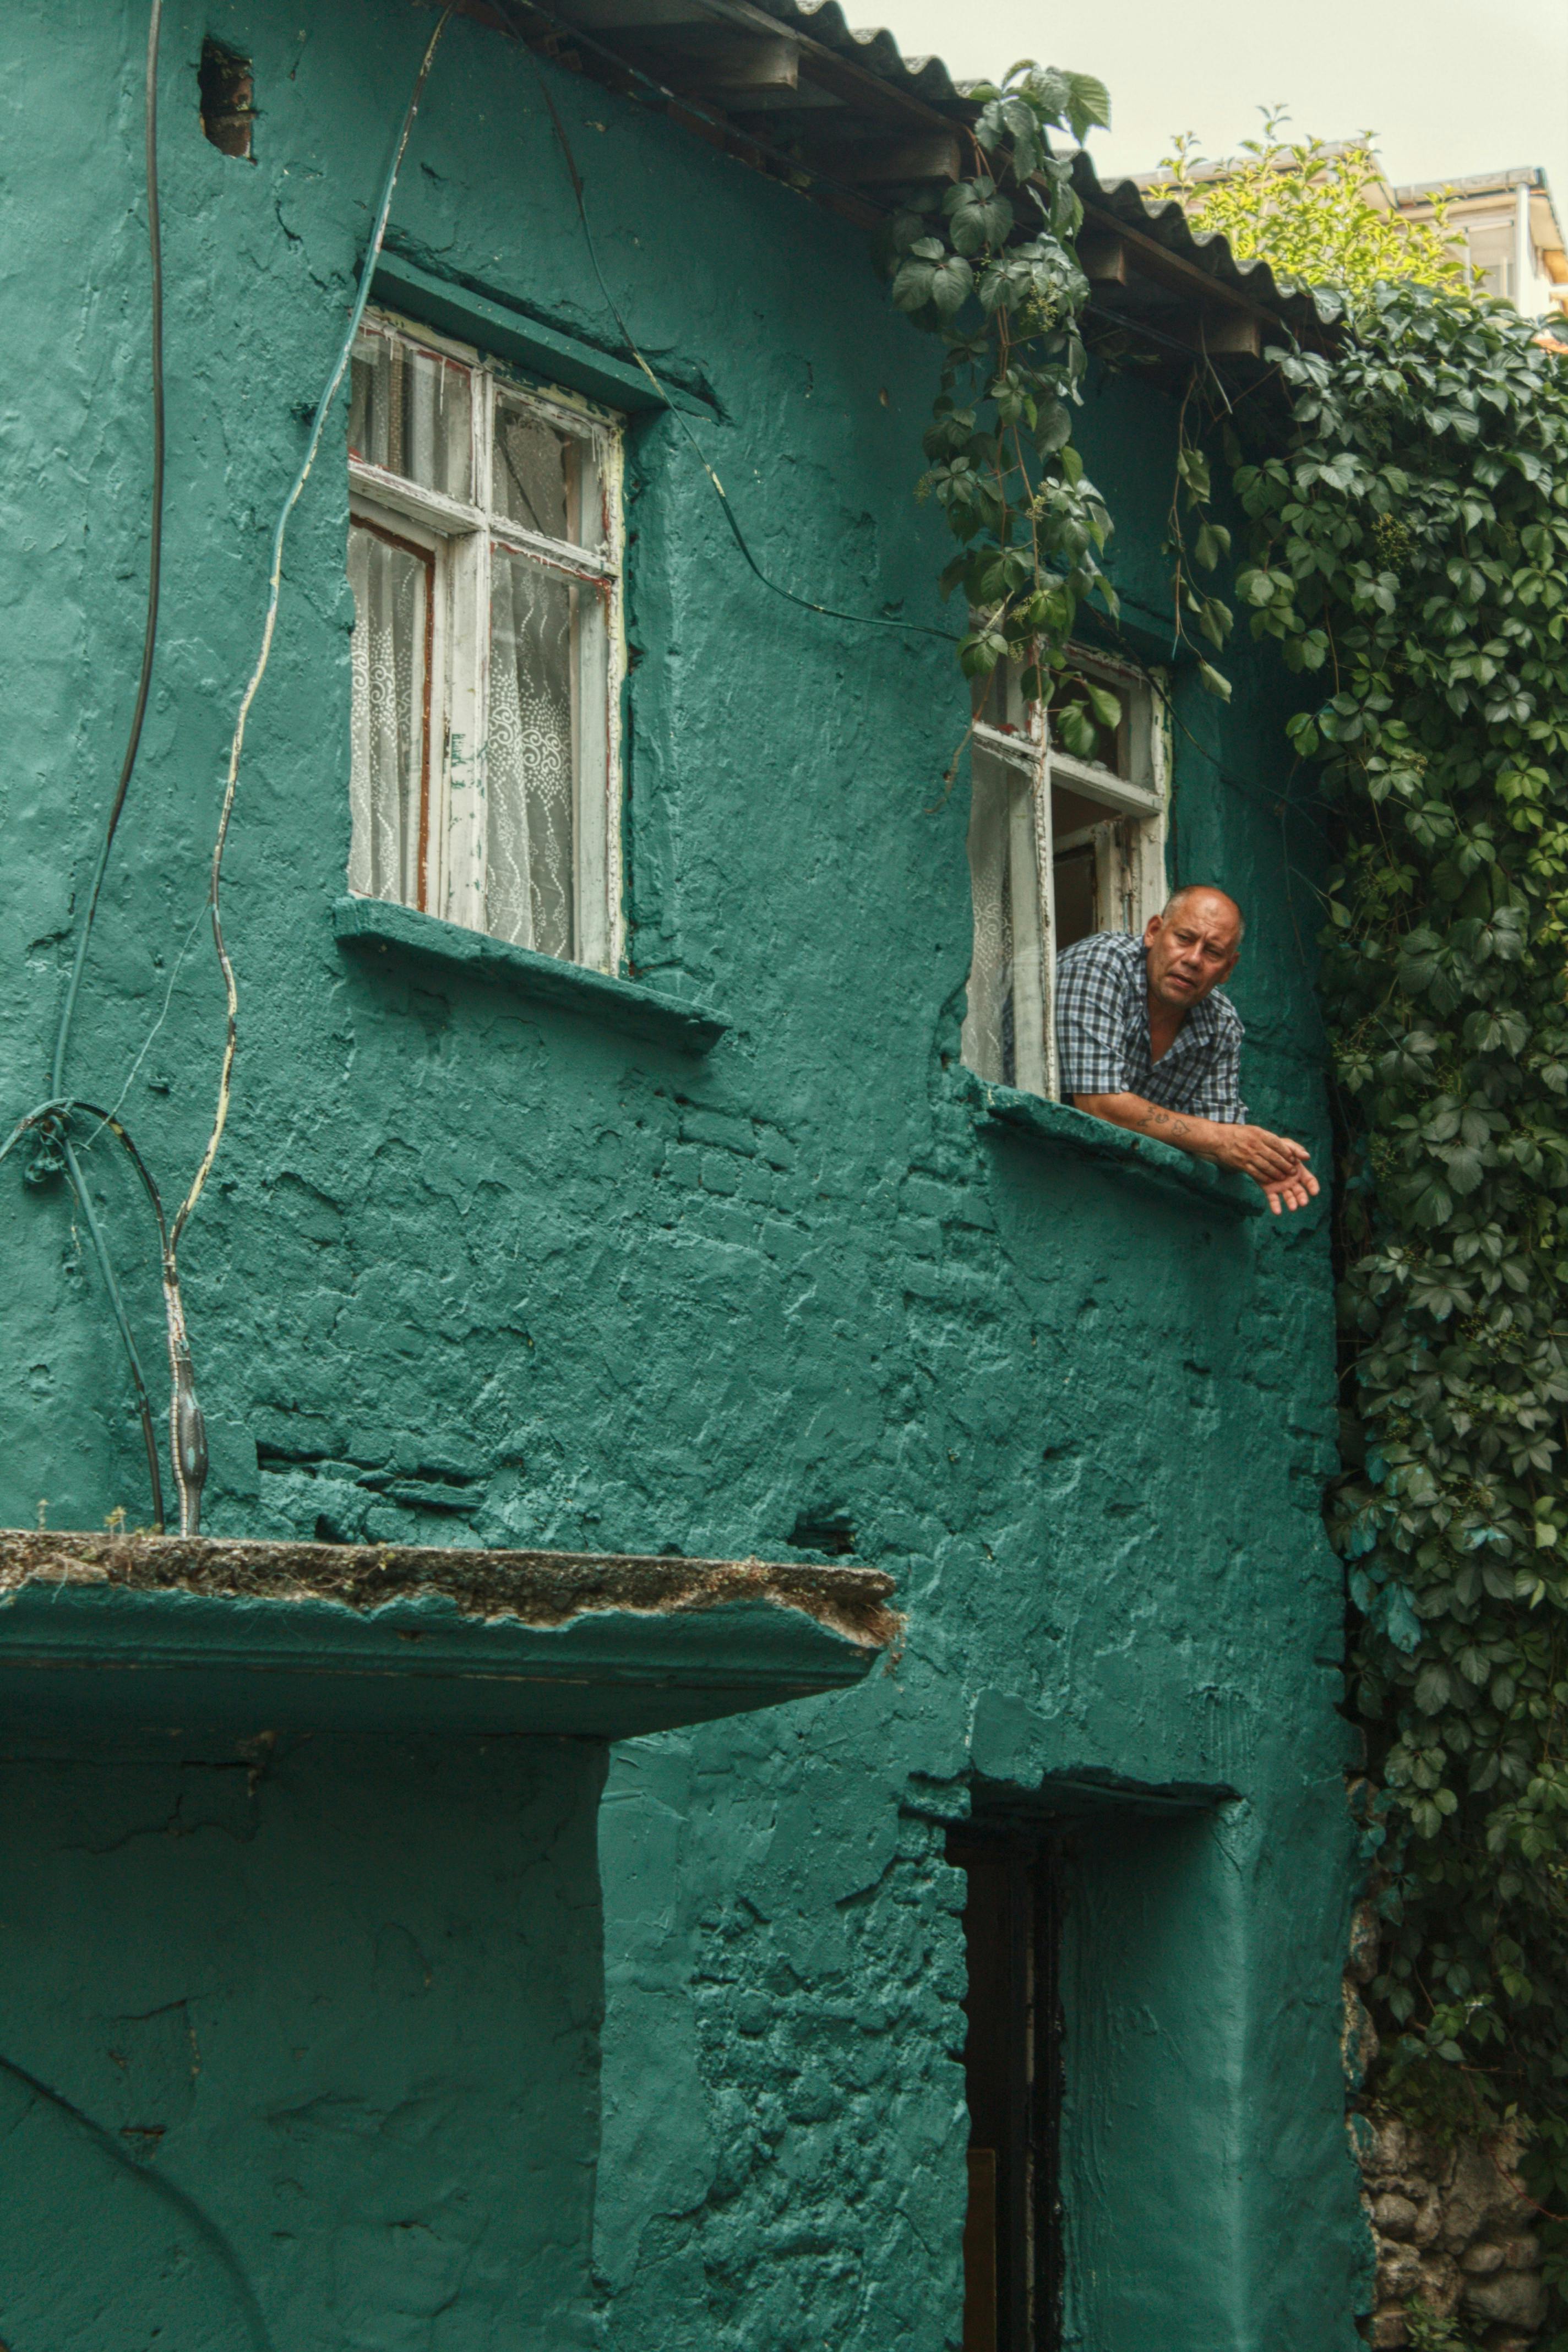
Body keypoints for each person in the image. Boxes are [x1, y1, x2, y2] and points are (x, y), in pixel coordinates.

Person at [1054, 886, 1319, 1216]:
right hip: (1044, 1176)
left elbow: (1216, 1136)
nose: (1193, 959)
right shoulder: (1102, 963)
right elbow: (1099, 1104)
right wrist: (1224, 1140)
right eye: (1184, 938)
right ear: (1153, 932)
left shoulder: (1221, 1023)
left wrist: (1266, 1158)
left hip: (1123, 1205)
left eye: (1212, 952)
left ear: (1228, 969)